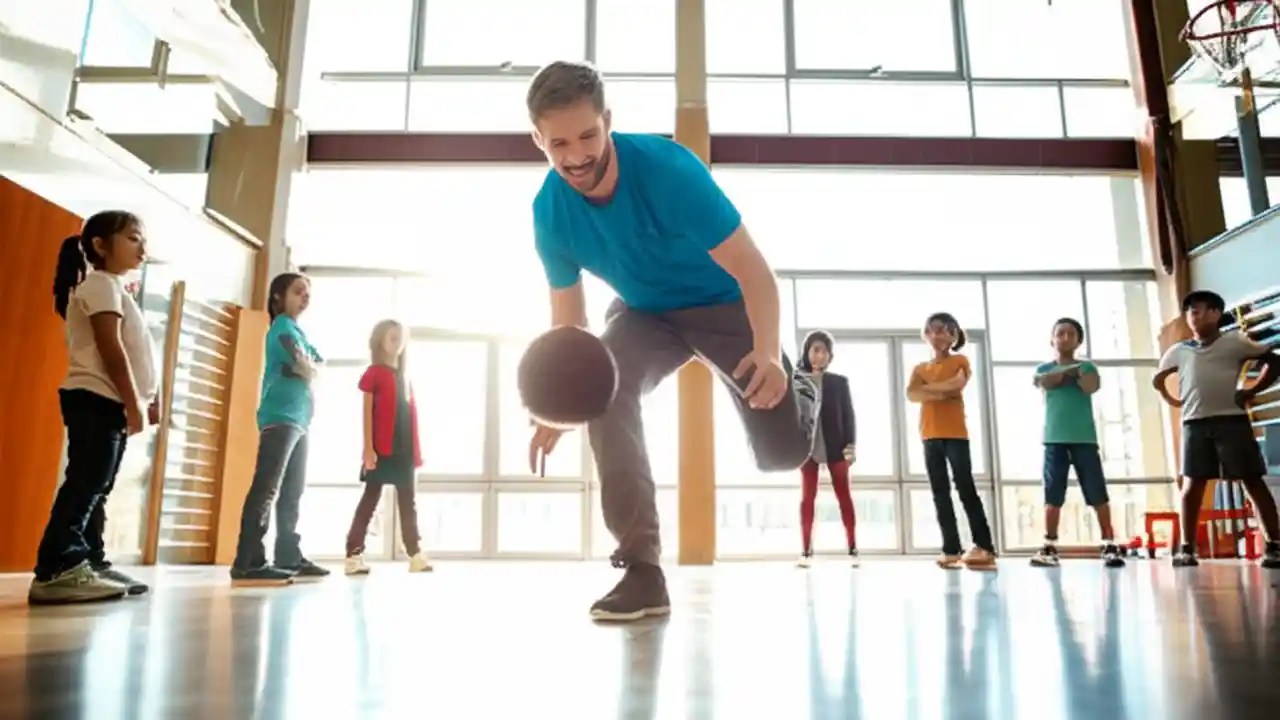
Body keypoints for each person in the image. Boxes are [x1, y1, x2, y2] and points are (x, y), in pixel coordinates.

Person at [524, 61, 818, 622]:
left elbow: (755, 271)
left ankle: (804, 384)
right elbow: (571, 329)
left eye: (588, 135)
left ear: (608, 121)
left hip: (725, 303)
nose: (577, 154)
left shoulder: (669, 171)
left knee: (781, 452)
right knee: (606, 390)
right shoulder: (550, 214)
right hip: (645, 314)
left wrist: (768, 353)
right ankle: (642, 571)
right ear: (538, 139)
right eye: (558, 143)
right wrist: (560, 405)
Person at [29, 211, 159, 605]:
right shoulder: (100, 285)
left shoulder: (115, 287)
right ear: (100, 245)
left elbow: (137, 350)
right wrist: (133, 401)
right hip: (95, 397)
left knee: (98, 487)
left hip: (109, 400)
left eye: (143, 239)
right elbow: (111, 347)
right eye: (134, 238)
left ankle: (90, 561)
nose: (143, 247)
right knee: (86, 484)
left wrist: (144, 399)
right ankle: (56, 568)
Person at [1152, 290, 1280, 568]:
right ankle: (1187, 548)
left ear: (1215, 313)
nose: (1193, 316)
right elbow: (1159, 378)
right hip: (1194, 423)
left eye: (1199, 310)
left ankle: (1274, 545)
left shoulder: (1234, 342)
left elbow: (1273, 360)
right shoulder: (1180, 350)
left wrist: (1251, 391)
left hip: (1231, 420)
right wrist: (1173, 400)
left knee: (1252, 481)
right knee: (1192, 485)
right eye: (1190, 312)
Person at [229, 273, 329, 586]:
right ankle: (248, 561)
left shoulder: (298, 331)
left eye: (308, 293)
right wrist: (309, 367)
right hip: (281, 417)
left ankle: (288, 555)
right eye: (298, 292)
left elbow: (317, 364)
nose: (305, 297)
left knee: (292, 492)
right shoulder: (283, 328)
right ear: (277, 297)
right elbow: (305, 365)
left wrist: (310, 367)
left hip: (299, 419)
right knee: (267, 488)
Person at [1030, 318, 1125, 568]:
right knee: (1053, 495)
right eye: (1059, 333)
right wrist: (1068, 373)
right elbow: (1046, 381)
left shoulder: (1088, 367)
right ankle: (1049, 545)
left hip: (1084, 439)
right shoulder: (1043, 368)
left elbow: (1089, 386)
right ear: (1052, 339)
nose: (1064, 338)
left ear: (1078, 340)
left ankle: (1109, 543)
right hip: (1054, 440)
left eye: (1070, 334)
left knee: (1097, 492)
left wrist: (1072, 373)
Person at [905, 312, 996, 570]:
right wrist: (941, 389)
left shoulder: (960, 359)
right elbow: (911, 394)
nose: (938, 335)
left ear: (954, 336)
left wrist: (929, 389)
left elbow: (957, 385)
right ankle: (951, 549)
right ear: (925, 335)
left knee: (965, 488)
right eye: (933, 330)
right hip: (929, 434)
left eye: (944, 330)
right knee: (939, 493)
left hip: (956, 433)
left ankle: (985, 546)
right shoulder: (919, 368)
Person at [344, 319, 432, 575]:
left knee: (408, 502)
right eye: (392, 337)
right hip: (381, 451)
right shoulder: (374, 373)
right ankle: (353, 554)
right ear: (379, 342)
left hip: (404, 452)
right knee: (370, 500)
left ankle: (415, 553)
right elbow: (367, 412)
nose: (397, 343)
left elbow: (409, 417)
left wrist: (415, 453)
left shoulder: (405, 378)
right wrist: (368, 448)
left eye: (400, 338)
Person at [795, 330, 858, 568]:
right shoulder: (797, 380)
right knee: (807, 498)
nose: (818, 355)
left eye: (823, 351)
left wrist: (851, 444)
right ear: (807, 352)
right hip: (806, 447)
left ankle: (853, 547)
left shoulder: (839, 382)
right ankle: (806, 549)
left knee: (844, 496)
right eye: (814, 350)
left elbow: (849, 415)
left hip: (837, 445)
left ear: (830, 355)